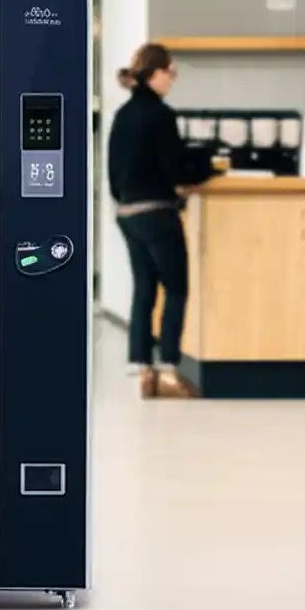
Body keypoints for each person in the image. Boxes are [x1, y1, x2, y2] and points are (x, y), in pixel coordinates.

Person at [108, 44, 214, 398]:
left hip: (128, 214)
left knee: (144, 290)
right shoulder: (160, 114)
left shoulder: (123, 114)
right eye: (171, 72)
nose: (173, 79)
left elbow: (112, 174)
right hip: (157, 212)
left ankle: (142, 369)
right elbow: (176, 168)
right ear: (155, 73)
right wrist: (208, 166)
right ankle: (168, 370)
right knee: (177, 289)